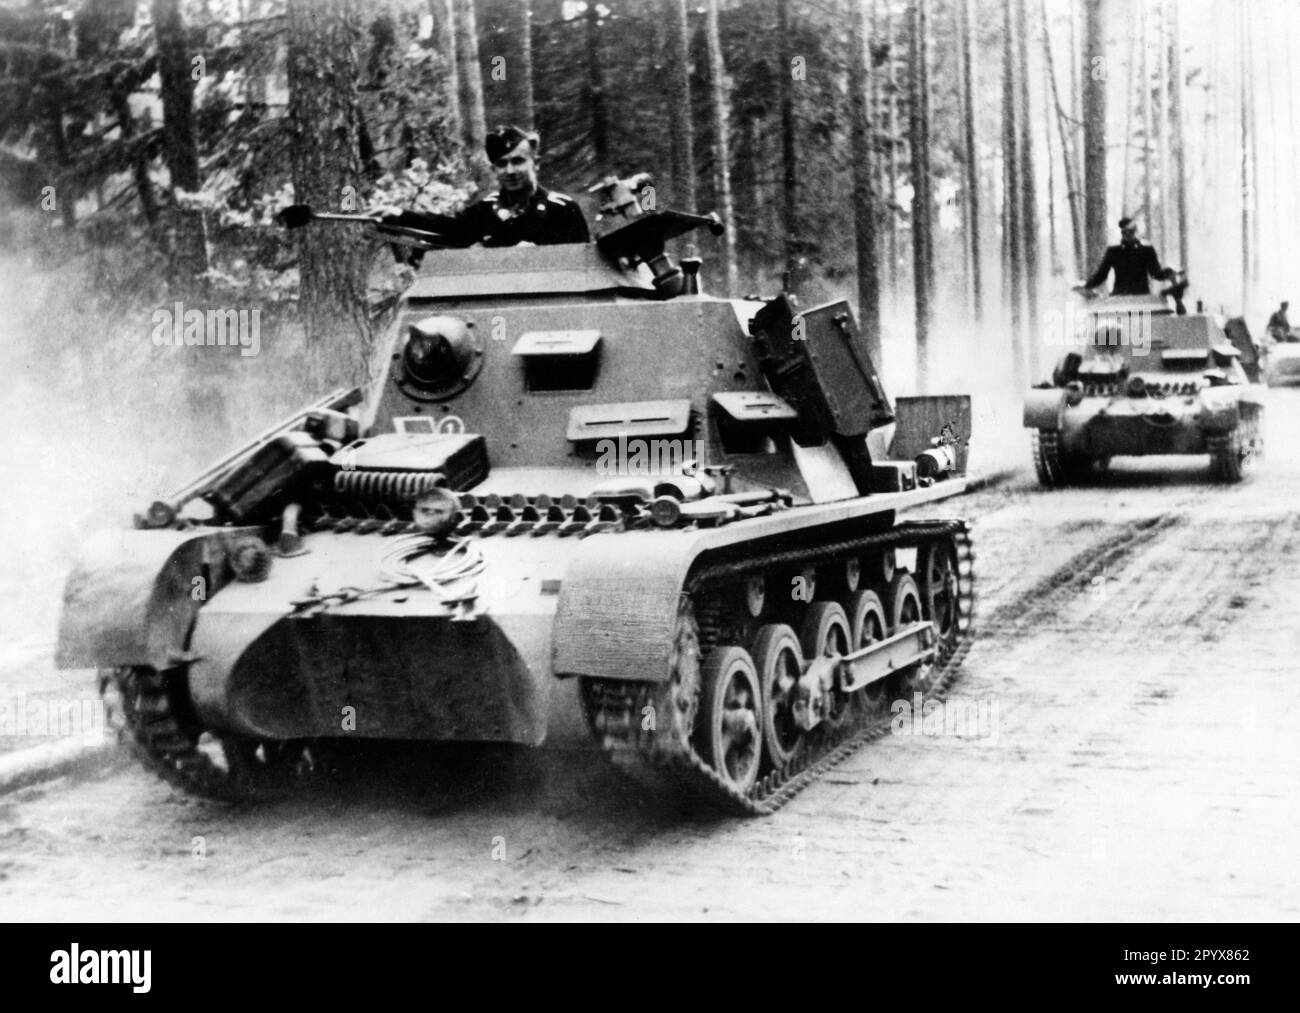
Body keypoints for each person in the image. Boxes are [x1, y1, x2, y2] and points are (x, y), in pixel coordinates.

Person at [379, 126, 590, 249]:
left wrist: (536, 258)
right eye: (501, 164)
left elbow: (584, 270)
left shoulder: (562, 210)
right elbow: (449, 228)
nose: (510, 170)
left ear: (535, 163)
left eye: (518, 161)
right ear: (494, 169)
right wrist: (398, 214)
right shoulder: (487, 210)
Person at [1082, 217, 1176, 295]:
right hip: (1120, 298)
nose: (1128, 235)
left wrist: (1168, 273)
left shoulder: (1146, 250)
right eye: (1124, 232)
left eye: (1130, 232)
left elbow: (1155, 273)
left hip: (1142, 299)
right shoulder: (1114, 251)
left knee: (1144, 317)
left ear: (1136, 232)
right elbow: (1101, 274)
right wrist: (1087, 286)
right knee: (1118, 316)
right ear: (1121, 233)